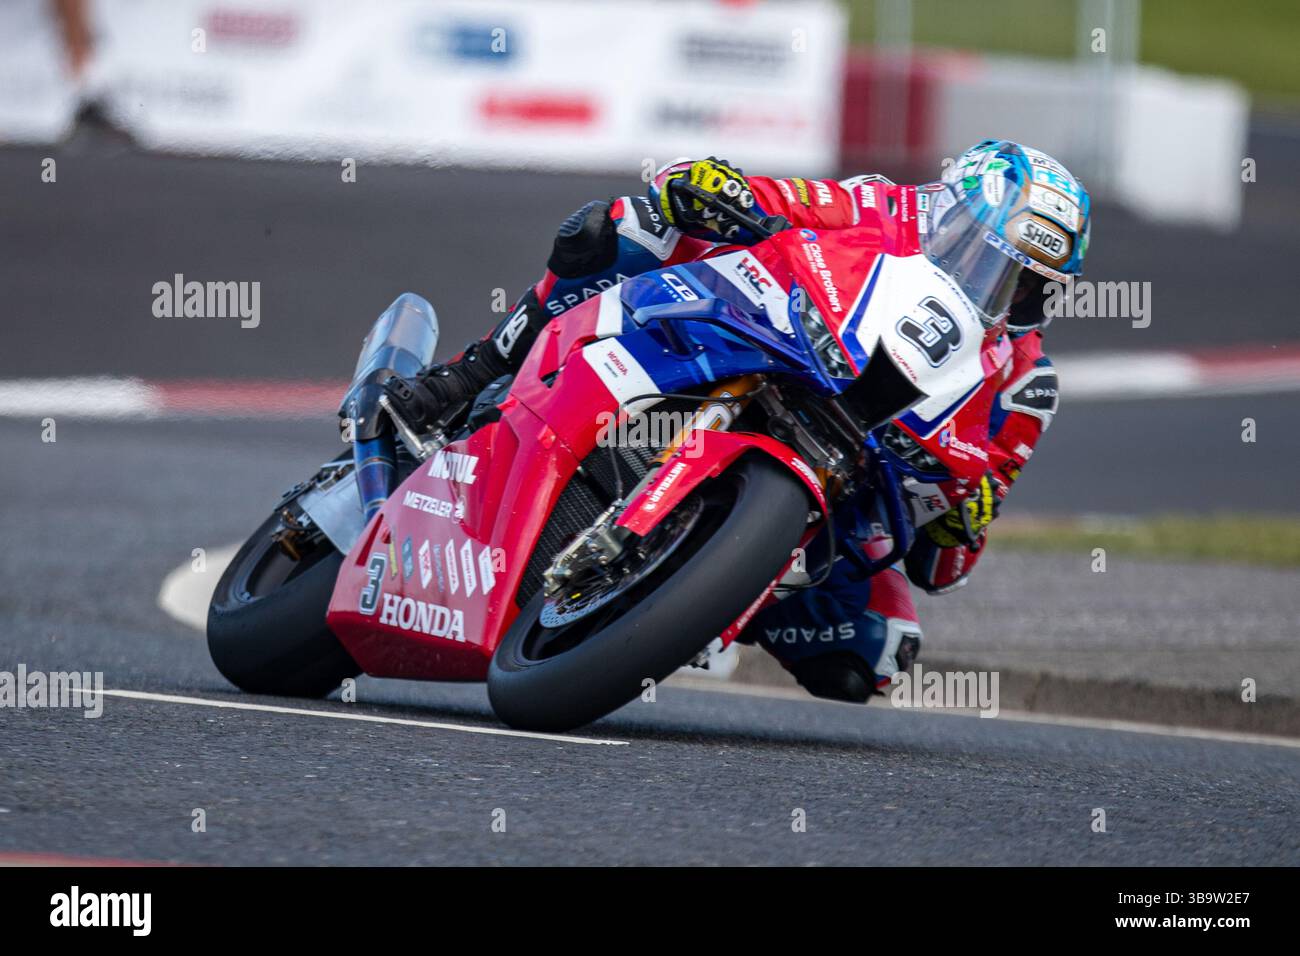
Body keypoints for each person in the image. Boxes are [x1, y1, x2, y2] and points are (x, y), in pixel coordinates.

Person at [383, 141, 1091, 703]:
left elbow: (941, 567)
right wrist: (718, 190)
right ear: (952, 214)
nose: (1005, 286)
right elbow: (770, 197)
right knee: (626, 227)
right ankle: (467, 377)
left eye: (1028, 283)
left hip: (850, 481)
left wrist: (968, 514)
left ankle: (696, 593)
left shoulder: (1024, 385)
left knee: (873, 653)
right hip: (774, 343)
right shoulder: (883, 205)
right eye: (988, 254)